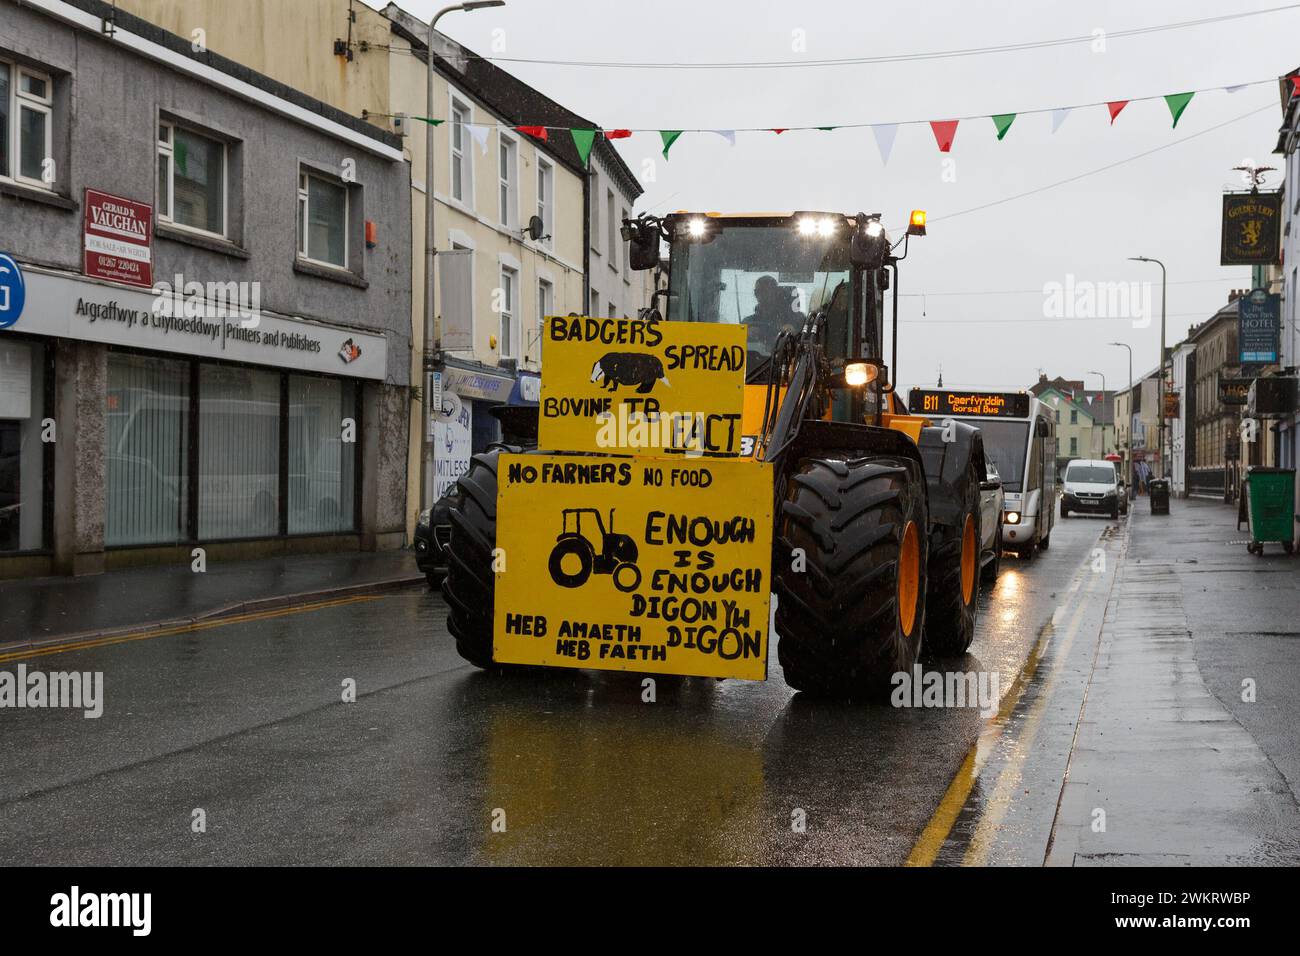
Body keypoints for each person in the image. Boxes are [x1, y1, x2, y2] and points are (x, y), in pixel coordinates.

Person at [743, 275, 802, 355]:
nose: (762, 295)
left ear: (776, 293)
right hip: (752, 365)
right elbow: (736, 346)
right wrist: (746, 334)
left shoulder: (796, 320)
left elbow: (802, 346)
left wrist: (793, 332)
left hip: (782, 363)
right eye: (758, 291)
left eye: (766, 291)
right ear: (755, 294)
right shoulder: (747, 322)